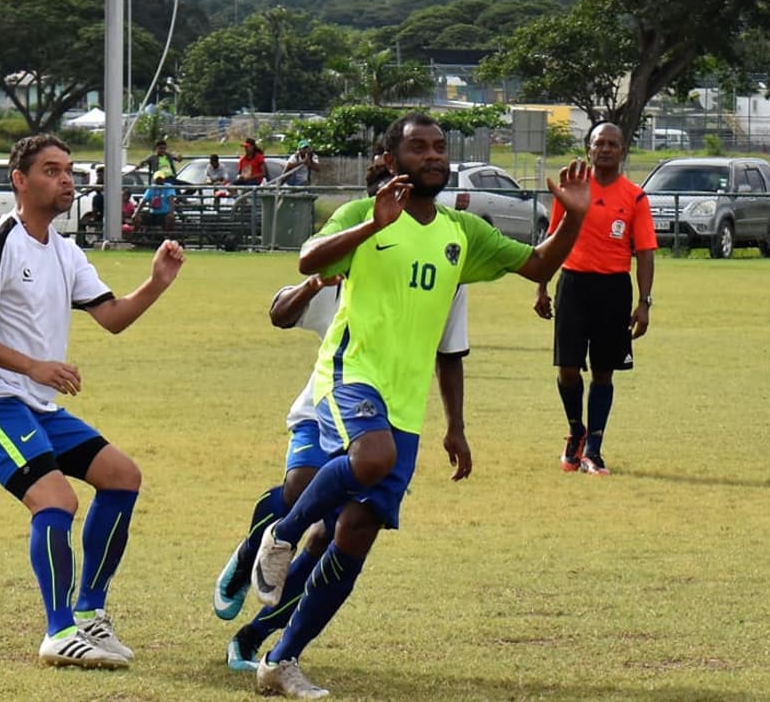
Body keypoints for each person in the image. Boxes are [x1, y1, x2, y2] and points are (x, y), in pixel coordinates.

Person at [249, 111, 591, 698]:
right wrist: (370, 227)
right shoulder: (362, 214)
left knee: (356, 534)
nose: (433, 155)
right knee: (372, 457)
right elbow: (309, 263)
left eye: (439, 147)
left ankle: (282, 659)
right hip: (352, 373)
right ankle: (283, 533)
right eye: (418, 148)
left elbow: (536, 264)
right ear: (390, 160)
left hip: (408, 401)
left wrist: (575, 218)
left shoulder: (462, 231)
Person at [0, 133, 185, 669]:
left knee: (123, 476)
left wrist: (156, 283)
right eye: (51, 170)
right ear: (19, 181)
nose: (66, 179)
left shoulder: (66, 250)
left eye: (69, 170)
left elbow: (113, 317)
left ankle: (91, 615)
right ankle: (58, 631)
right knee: (56, 501)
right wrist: (33, 366)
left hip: (34, 402)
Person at [215, 166, 472, 676]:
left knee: (336, 536)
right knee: (300, 488)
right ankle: (251, 555)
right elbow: (280, 312)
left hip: (386, 417)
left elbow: (451, 351)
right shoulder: (352, 245)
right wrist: (315, 283)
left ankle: (260, 636)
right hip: (326, 405)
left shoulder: (446, 261)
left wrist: (455, 425)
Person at [534, 121, 657, 476]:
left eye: (612, 144)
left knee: (604, 372)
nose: (605, 149)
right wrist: (541, 285)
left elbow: (646, 252)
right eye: (598, 143)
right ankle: (576, 431)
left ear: (623, 151)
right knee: (568, 368)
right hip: (573, 284)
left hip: (614, 289)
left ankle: (594, 450)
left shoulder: (634, 196)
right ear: (588, 148)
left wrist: (644, 302)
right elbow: (553, 240)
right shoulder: (573, 189)